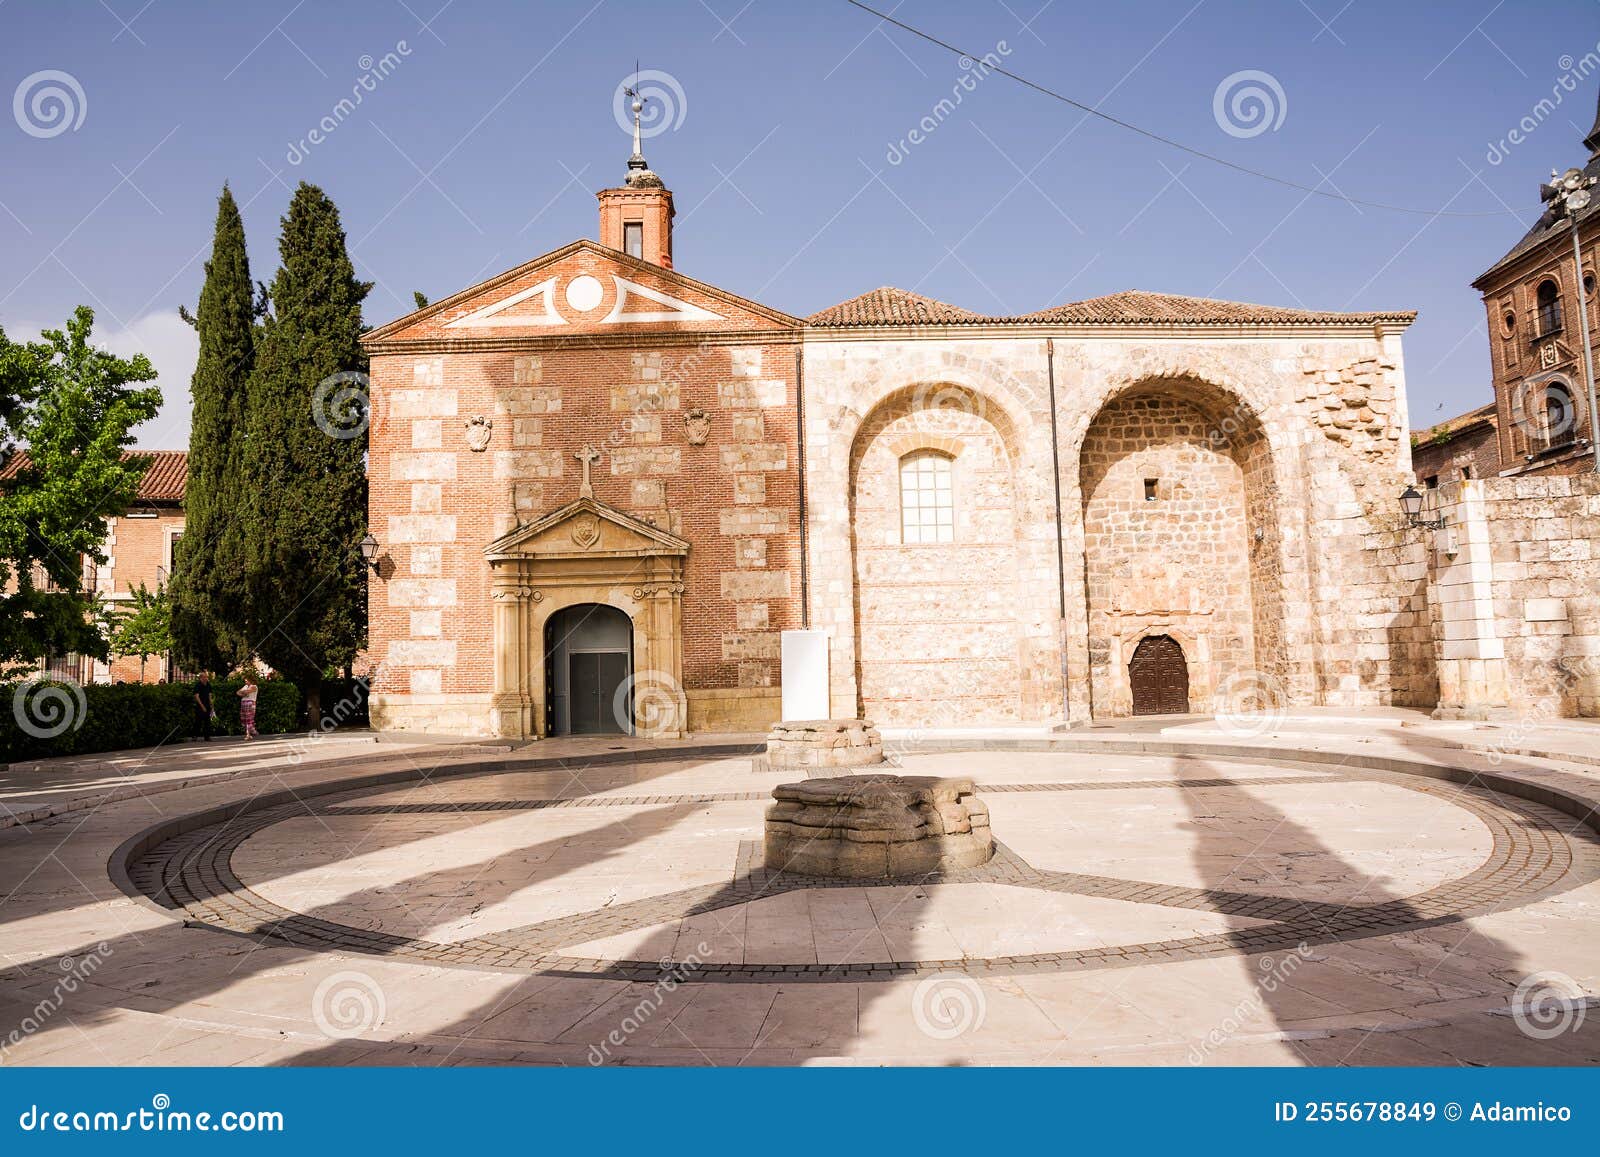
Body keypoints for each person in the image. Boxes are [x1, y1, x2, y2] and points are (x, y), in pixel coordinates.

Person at [236, 671, 259, 739]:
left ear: (250, 680)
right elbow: (237, 692)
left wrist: (243, 693)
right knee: (244, 720)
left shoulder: (254, 686)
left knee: (249, 719)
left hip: (250, 704)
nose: (245, 682)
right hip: (243, 704)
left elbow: (246, 692)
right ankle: (252, 730)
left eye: (246, 681)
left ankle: (248, 735)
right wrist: (244, 693)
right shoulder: (246, 686)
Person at [193, 671, 215, 741]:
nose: (206, 678)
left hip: (207, 705)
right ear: (201, 678)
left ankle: (207, 737)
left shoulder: (208, 684)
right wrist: (202, 706)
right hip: (200, 706)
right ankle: (195, 736)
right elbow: (196, 696)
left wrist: (211, 704)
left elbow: (209, 695)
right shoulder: (198, 685)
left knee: (207, 722)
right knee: (198, 721)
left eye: (206, 677)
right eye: (205, 677)